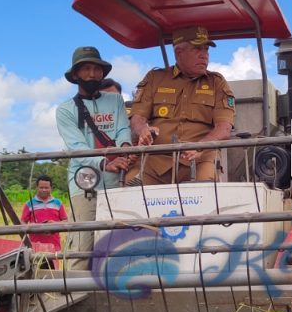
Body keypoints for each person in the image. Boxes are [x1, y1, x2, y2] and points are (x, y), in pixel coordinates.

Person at [128, 26, 236, 185]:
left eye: (206, 50)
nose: (204, 55)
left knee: (205, 186)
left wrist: (199, 147)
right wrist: (143, 130)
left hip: (200, 158)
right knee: (130, 184)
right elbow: (137, 117)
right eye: (197, 49)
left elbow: (224, 128)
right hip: (156, 159)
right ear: (179, 53)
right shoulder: (154, 78)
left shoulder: (217, 83)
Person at [56, 46, 131, 270]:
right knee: (84, 245)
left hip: (118, 181)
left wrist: (126, 148)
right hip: (85, 184)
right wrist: (105, 163)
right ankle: (72, 293)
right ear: (76, 74)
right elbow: (77, 147)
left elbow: (122, 130)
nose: (92, 74)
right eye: (86, 69)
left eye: (97, 69)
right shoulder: (65, 110)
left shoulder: (115, 101)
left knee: (118, 241)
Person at [20, 175, 69, 264]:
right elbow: (22, 222)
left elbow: (66, 221)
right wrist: (31, 226)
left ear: (51, 188)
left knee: (53, 271)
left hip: (54, 246)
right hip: (35, 246)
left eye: (46, 188)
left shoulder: (58, 203)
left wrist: (55, 224)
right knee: (35, 270)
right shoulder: (29, 204)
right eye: (41, 187)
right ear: (36, 188)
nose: (44, 190)